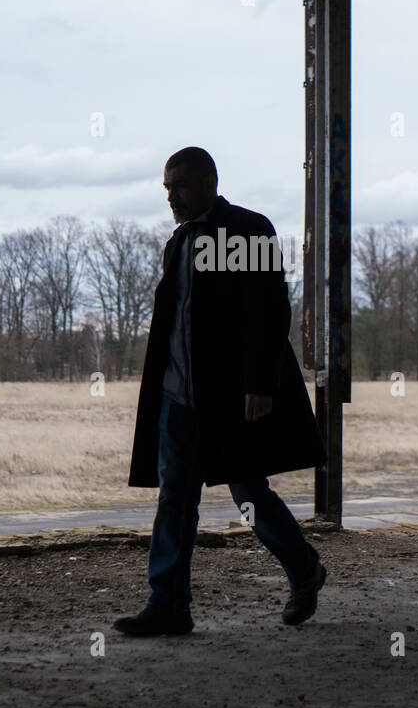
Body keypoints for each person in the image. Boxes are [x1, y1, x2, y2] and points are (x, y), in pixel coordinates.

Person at [114, 146, 328, 636]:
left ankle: (304, 570)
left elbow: (271, 311)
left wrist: (260, 384)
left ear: (211, 181)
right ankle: (167, 604)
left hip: (231, 399)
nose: (171, 196)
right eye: (167, 187)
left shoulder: (250, 230)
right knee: (175, 499)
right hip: (180, 398)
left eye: (181, 185)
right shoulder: (179, 243)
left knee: (250, 495)